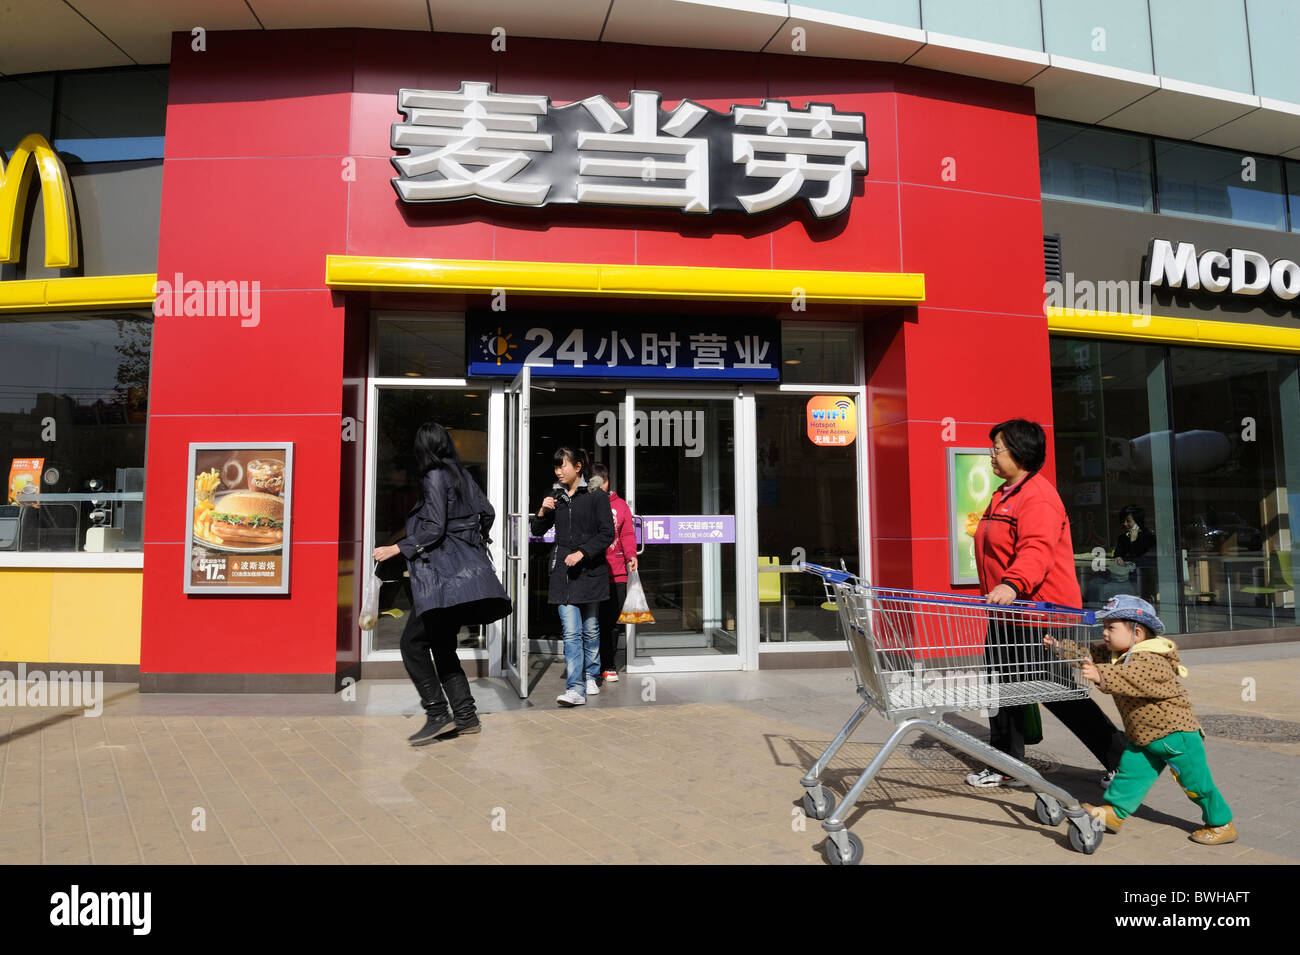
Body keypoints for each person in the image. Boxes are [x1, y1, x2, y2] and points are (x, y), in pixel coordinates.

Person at [967, 418, 1127, 788]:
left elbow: (1036, 550)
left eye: (998, 448)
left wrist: (1011, 583)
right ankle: (1005, 762)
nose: (992, 454)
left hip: (1039, 612)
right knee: (1002, 689)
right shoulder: (1004, 493)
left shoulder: (1037, 496)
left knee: (1057, 692)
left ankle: (1121, 759)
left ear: (1020, 452)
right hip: (1008, 613)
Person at [1051, 595, 1236, 845]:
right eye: (1104, 627)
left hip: (1176, 736)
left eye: (1111, 628)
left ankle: (1221, 823)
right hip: (1144, 736)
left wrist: (1099, 674)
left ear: (1137, 633)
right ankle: (1114, 813)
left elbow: (1133, 676)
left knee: (1196, 784)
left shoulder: (1152, 658)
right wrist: (1061, 648)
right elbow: (1090, 654)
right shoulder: (1118, 653)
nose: (1105, 633)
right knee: (1130, 775)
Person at [373, 422, 511, 745]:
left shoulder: (434, 476)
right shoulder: (463, 476)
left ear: (424, 449)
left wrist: (397, 547)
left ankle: (437, 712)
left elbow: (434, 528)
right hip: (463, 579)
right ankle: (466, 716)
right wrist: (474, 539)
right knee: (442, 646)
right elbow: (487, 512)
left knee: (412, 644)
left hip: (441, 579)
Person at [530, 447, 614, 707]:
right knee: (571, 632)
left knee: (590, 629)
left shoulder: (595, 496)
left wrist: (582, 553)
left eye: (562, 466)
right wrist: (543, 511)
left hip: (590, 571)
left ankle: (591, 674)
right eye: (555, 467)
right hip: (563, 573)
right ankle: (575, 688)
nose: (558, 471)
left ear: (578, 467)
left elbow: (606, 533)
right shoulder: (556, 496)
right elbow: (537, 530)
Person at [588, 463, 637, 684]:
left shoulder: (620, 506)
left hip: (616, 572)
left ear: (608, 482)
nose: (599, 485)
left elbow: (627, 533)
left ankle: (608, 665)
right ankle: (590, 666)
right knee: (590, 622)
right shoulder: (584, 503)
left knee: (612, 622)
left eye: (603, 480)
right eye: (594, 480)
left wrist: (631, 555)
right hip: (591, 571)